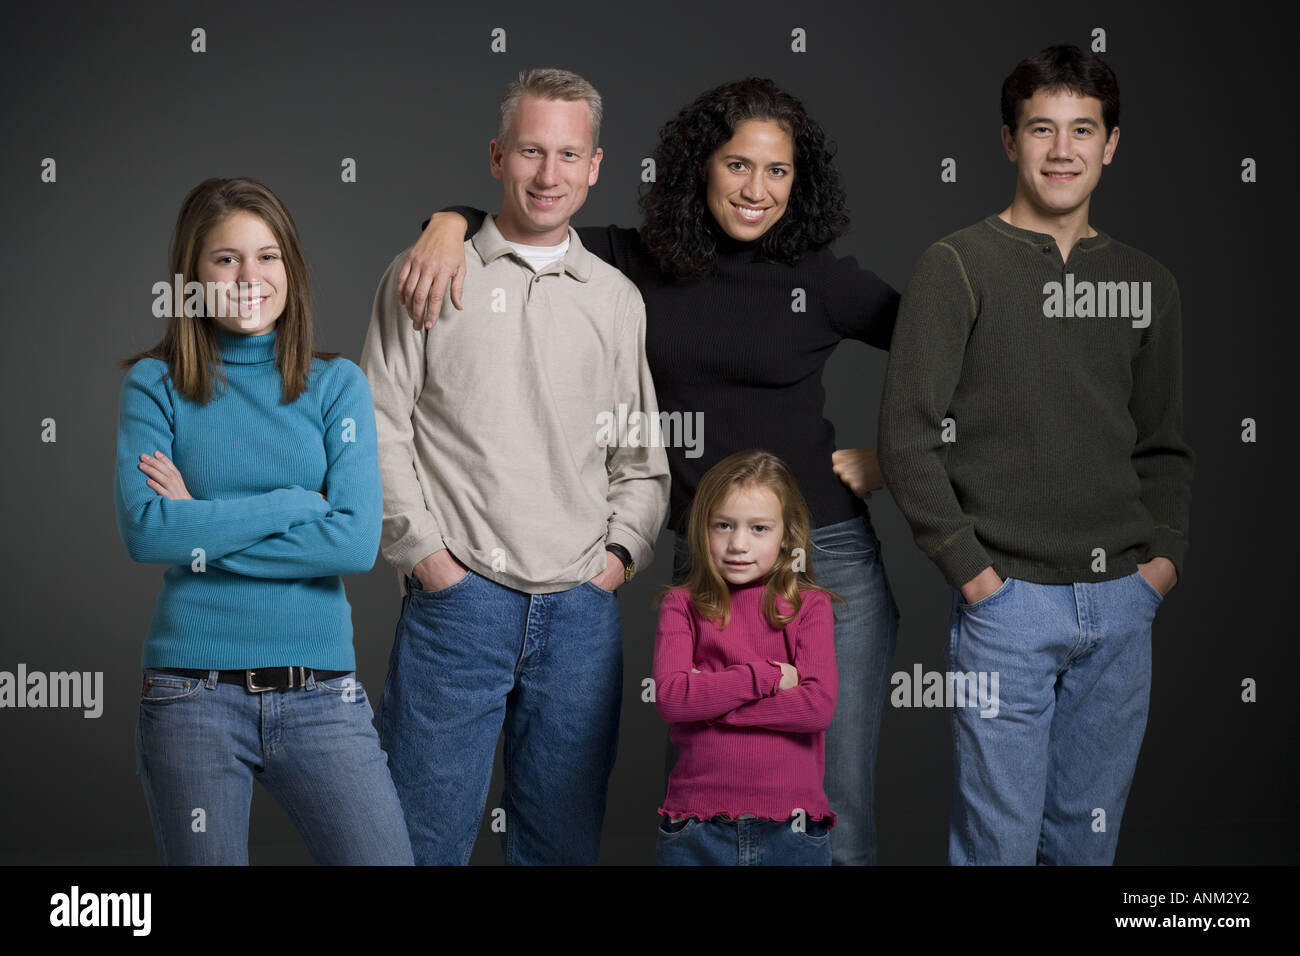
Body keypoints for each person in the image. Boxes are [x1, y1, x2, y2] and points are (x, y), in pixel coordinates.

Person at [401, 76, 900, 866]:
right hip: (706, 557)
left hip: (821, 558)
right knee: (705, 814)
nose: (757, 189)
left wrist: (895, 458)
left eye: (777, 172)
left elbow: (952, 348)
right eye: (739, 165)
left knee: (831, 816)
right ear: (702, 166)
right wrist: (443, 223)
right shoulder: (639, 259)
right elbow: (532, 214)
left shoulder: (823, 281)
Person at [878, 45, 1195, 865]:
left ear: (1111, 144)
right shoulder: (957, 267)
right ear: (1009, 141)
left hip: (1123, 606)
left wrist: (1159, 567)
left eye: (1082, 130)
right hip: (1009, 607)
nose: (1062, 150)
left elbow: (1164, 443)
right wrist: (975, 576)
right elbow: (909, 436)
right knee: (999, 847)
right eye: (1042, 129)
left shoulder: (1147, 281)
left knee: (1086, 846)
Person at [361, 68, 669, 866]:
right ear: (498, 156)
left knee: (560, 847)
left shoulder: (615, 299)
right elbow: (377, 429)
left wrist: (615, 560)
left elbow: (640, 455)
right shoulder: (428, 272)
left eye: (569, 155)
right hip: (459, 604)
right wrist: (429, 562)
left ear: (596, 166)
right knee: (421, 844)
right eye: (532, 150)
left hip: (579, 611)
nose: (549, 174)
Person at [114, 177, 412, 865]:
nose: (250, 276)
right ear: (192, 276)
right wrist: (295, 504)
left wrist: (200, 519)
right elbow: (148, 532)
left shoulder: (338, 385)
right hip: (191, 694)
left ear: (291, 269)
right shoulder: (154, 386)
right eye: (226, 259)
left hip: (320, 692)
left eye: (267, 256)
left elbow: (355, 540)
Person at [652, 450, 838, 866]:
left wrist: (711, 704)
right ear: (703, 528)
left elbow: (816, 707)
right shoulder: (680, 605)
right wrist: (765, 677)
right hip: (697, 825)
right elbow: (672, 698)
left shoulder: (809, 606)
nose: (738, 544)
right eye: (724, 526)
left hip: (791, 827)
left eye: (758, 528)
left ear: (787, 535)